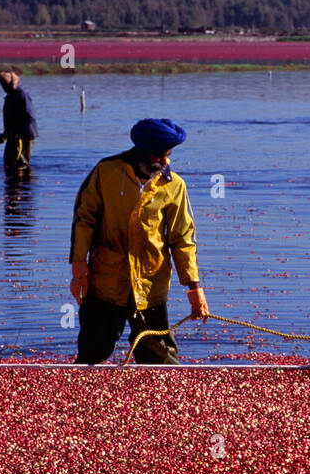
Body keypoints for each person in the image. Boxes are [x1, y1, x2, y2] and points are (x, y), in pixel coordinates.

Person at [70, 118, 209, 365]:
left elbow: (182, 238)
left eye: (168, 155)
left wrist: (193, 287)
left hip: (150, 284)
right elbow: (84, 219)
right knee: (93, 352)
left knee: (160, 359)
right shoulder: (106, 172)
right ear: (142, 152)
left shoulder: (174, 185)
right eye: (159, 156)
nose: (165, 161)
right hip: (106, 282)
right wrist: (79, 268)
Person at [0, 70, 38, 171]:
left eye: (3, 85)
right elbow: (10, 120)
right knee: (9, 163)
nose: (3, 88)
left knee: (21, 165)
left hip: (25, 136)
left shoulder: (22, 95)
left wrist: (19, 133)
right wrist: (4, 135)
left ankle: (23, 184)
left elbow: (30, 117)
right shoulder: (9, 97)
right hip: (13, 135)